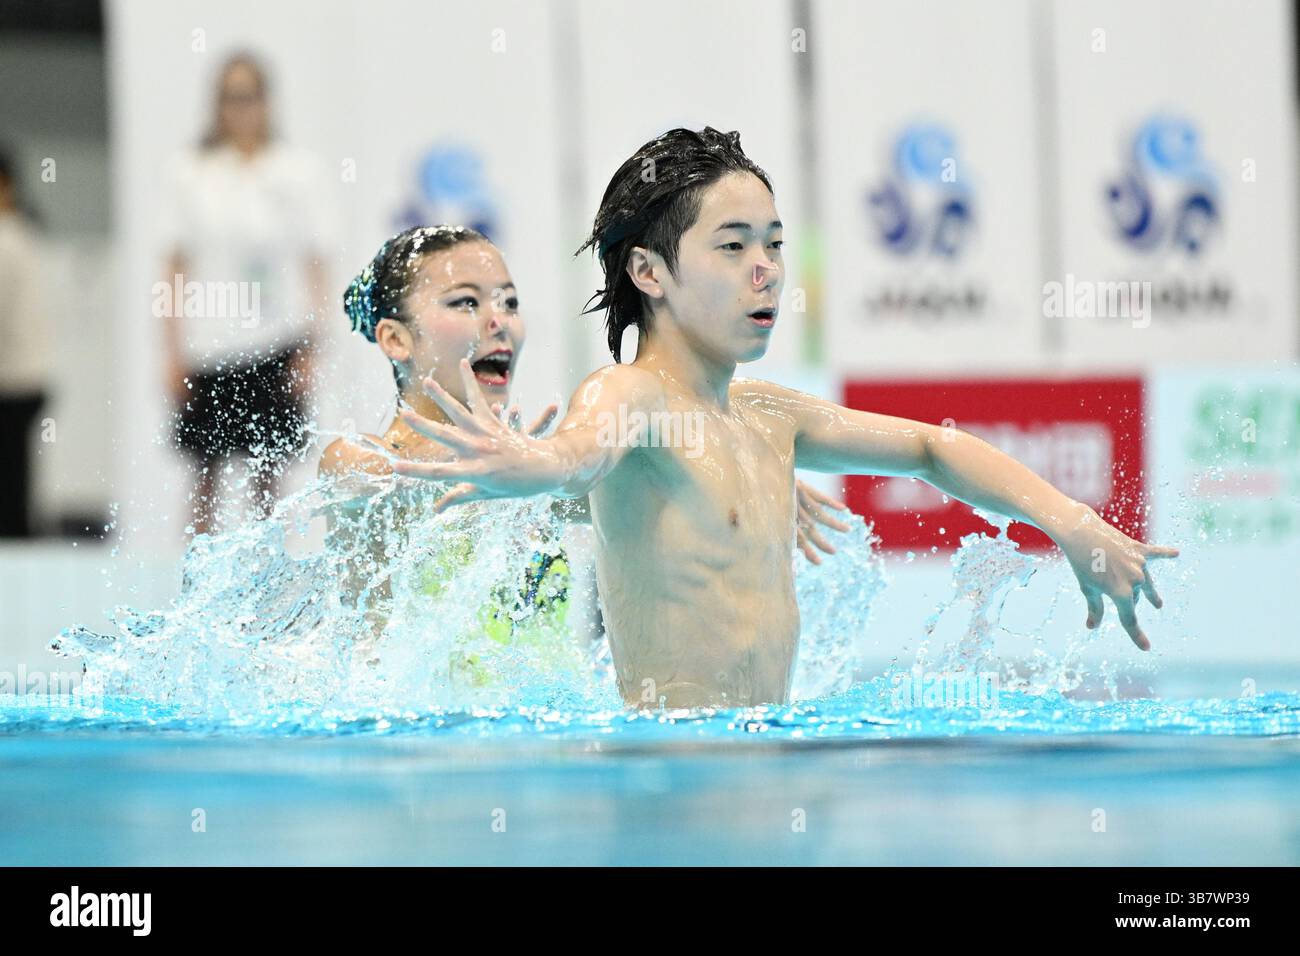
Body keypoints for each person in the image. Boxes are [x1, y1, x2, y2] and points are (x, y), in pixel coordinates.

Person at [388, 127, 1181, 711]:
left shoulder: (766, 417)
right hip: (675, 776)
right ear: (648, 273)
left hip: (764, 752)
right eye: (732, 247)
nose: (766, 268)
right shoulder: (634, 395)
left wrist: (1073, 522)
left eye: (771, 243)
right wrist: (527, 464)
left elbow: (933, 450)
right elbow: (581, 454)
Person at [318, 224, 852, 686]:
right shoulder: (357, 464)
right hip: (409, 758)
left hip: (533, 754)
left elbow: (630, 480)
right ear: (394, 339)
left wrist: (732, 466)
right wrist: (531, 466)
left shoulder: (538, 475)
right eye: (466, 302)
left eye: (509, 302)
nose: (498, 320)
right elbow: (419, 484)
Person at [158, 52, 334, 536]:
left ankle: (263, 584)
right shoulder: (192, 170)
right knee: (205, 473)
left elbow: (315, 262)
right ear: (216, 104)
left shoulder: (296, 170)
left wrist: (313, 347)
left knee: (269, 474)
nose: (240, 109)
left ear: (266, 101)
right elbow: (174, 264)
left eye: (248, 97)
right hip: (208, 343)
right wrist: (170, 350)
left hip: (276, 339)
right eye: (229, 98)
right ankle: (196, 582)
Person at [0, 147, 51, 538]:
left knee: (12, 492)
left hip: (12, 382)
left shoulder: (8, 239)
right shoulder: (24, 233)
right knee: (17, 484)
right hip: (27, 378)